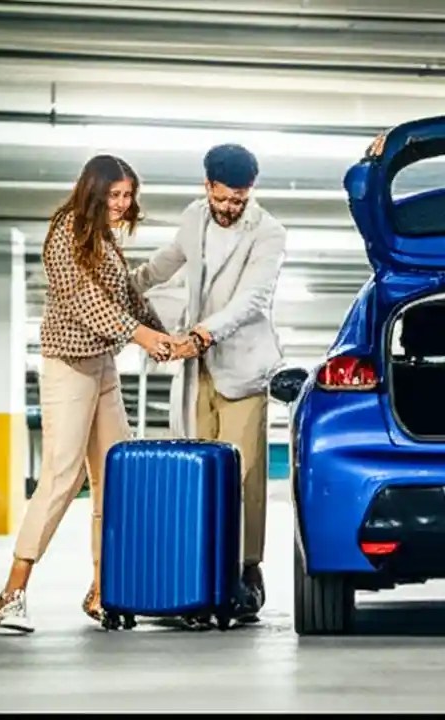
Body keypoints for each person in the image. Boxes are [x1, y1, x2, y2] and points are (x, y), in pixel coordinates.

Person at [0, 155, 173, 633]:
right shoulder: (65, 231)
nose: (122, 203)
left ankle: (102, 590)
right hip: (68, 364)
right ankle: (12, 591)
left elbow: (126, 297)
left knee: (118, 477)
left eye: (128, 195)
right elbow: (85, 300)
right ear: (92, 192)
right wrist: (140, 335)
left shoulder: (107, 241)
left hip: (103, 365)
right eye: (114, 195)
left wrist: (165, 335)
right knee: (62, 476)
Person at [130, 143, 287, 624]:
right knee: (197, 472)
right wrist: (125, 284)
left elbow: (252, 300)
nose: (229, 208)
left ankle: (245, 574)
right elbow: (167, 262)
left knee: (242, 478)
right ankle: (196, 576)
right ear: (207, 186)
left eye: (238, 200)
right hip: (198, 369)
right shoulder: (194, 218)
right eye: (222, 198)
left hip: (242, 366)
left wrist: (201, 334)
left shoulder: (269, 233)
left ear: (250, 191)